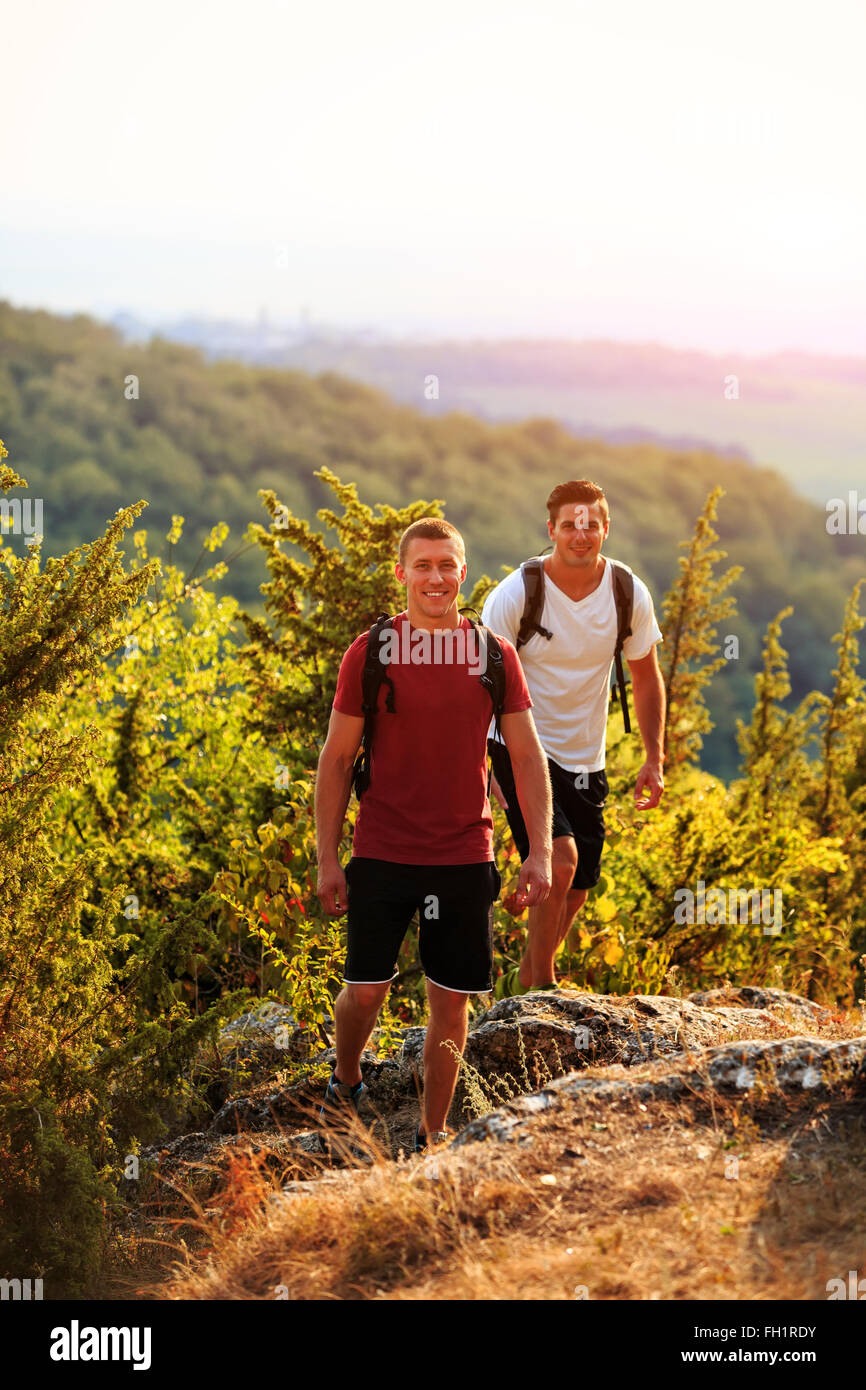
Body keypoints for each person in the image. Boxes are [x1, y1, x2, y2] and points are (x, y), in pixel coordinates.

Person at [315, 517, 553, 1151]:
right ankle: (345, 1080)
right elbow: (337, 761)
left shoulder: (492, 657)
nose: (436, 577)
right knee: (365, 991)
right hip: (383, 849)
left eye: (447, 565)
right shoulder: (371, 655)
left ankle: (433, 1135)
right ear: (402, 574)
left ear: (463, 573)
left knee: (450, 1004)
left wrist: (539, 852)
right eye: (423, 565)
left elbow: (527, 758)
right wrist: (327, 861)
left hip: (462, 852)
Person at [481, 479, 665, 993]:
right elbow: (477, 682)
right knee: (560, 861)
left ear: (605, 529)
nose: (580, 535)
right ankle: (542, 989)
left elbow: (647, 677)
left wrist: (655, 758)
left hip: (586, 757)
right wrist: (483, 767)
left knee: (579, 885)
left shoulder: (627, 593)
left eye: (590, 525)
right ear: (552, 530)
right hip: (517, 748)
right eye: (569, 526)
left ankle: (527, 974)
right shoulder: (518, 592)